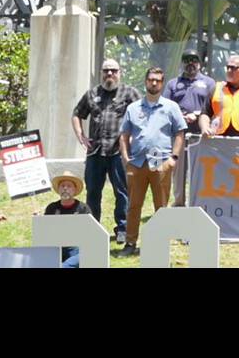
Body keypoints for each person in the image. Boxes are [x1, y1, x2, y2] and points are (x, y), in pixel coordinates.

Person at [116, 67, 186, 258]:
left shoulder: (171, 107)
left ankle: (160, 243)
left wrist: (174, 158)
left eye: (158, 80)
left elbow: (180, 134)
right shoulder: (133, 108)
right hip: (137, 162)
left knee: (161, 206)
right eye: (151, 80)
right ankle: (130, 243)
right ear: (146, 82)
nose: (154, 83)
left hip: (160, 160)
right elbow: (124, 135)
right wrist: (125, 157)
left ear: (162, 84)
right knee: (133, 205)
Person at [72, 59, 138, 245]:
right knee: (93, 192)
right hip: (95, 152)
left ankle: (123, 229)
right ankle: (93, 228)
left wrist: (133, 137)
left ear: (120, 72)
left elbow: (142, 114)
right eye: (106, 71)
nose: (110, 74)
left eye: (113, 71)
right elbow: (77, 114)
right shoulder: (92, 94)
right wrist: (81, 136)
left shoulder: (129, 93)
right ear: (101, 73)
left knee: (122, 192)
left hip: (119, 151)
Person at [165, 50, 214, 206]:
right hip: (179, 133)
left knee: (200, 169)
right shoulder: (173, 83)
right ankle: (179, 202)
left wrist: (198, 115)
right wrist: (180, 116)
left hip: (200, 133)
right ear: (182, 63)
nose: (190, 63)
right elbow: (165, 106)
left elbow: (214, 106)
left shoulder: (209, 83)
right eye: (187, 60)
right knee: (178, 170)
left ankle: (199, 202)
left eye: (194, 60)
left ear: (199, 63)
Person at [44, 171, 91, 268]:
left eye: (69, 186)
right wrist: (38, 219)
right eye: (62, 186)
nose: (65, 188)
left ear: (74, 190)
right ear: (59, 189)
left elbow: (90, 232)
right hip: (54, 247)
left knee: (85, 256)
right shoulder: (51, 208)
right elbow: (45, 231)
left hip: (75, 248)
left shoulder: (83, 208)